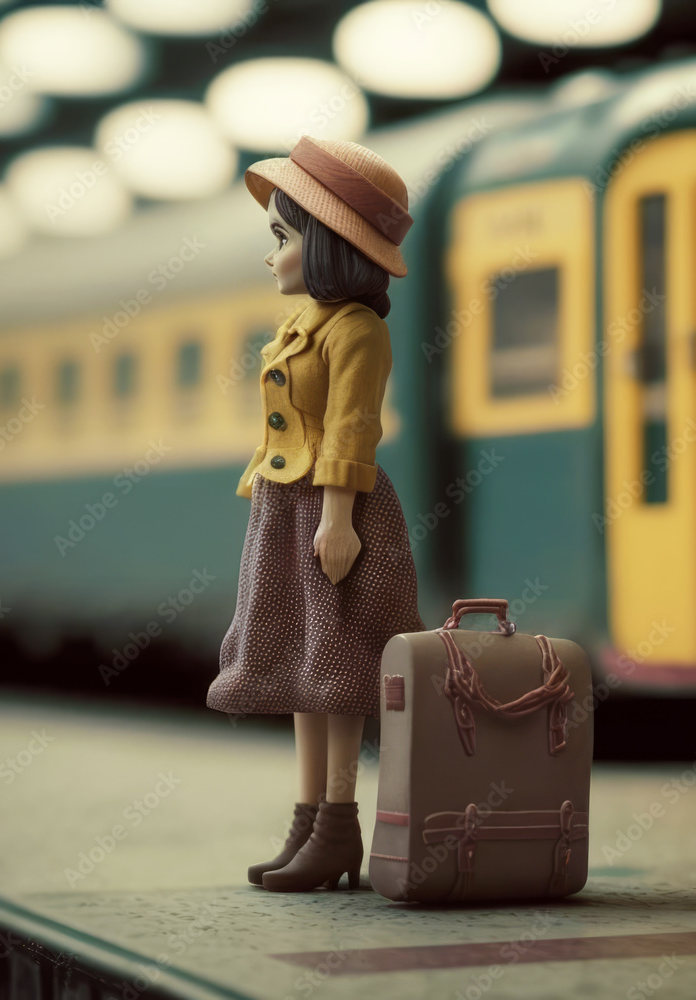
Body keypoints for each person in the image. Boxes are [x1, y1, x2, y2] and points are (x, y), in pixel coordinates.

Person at [206, 135, 427, 892]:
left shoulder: (358, 330)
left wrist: (338, 519)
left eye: (283, 236)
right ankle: (305, 826)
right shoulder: (304, 323)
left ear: (328, 244)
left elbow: (351, 429)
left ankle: (338, 826)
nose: (270, 255)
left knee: (336, 664)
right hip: (286, 507)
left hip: (336, 510)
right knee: (302, 665)